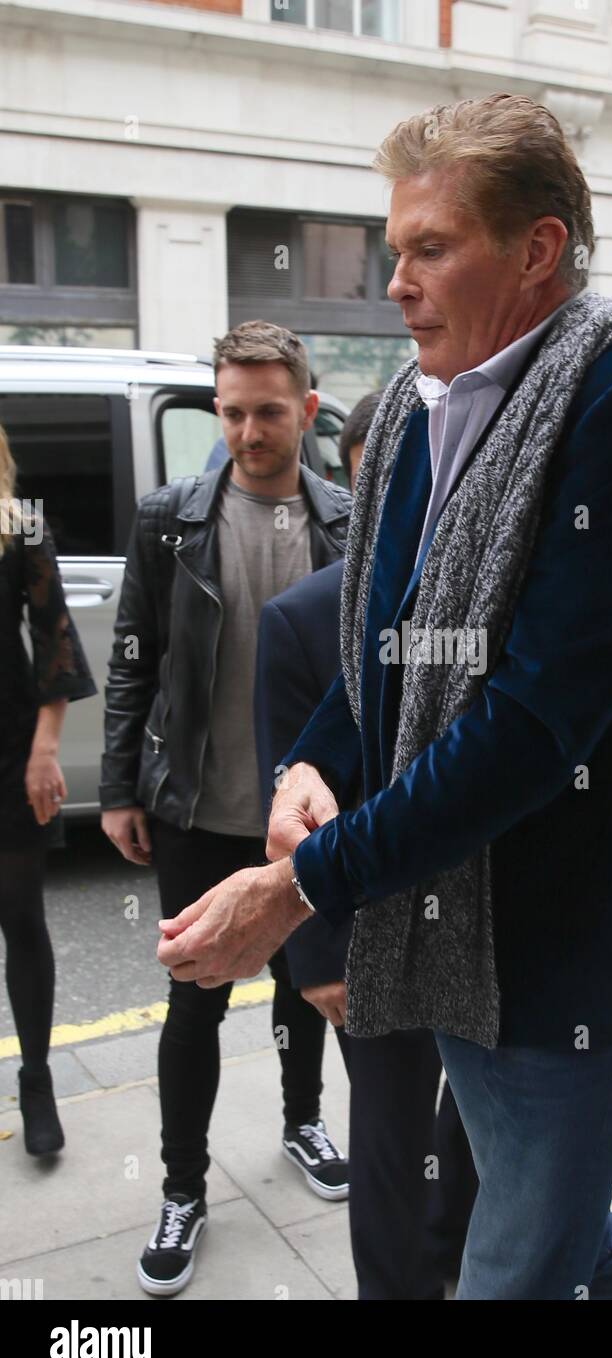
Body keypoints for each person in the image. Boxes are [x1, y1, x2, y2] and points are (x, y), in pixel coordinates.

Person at [155, 95, 612, 1301]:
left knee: (515, 1260)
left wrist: (301, 884)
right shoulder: (422, 413)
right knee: (552, 1222)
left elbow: (530, 727)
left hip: (562, 931)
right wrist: (315, 760)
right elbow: (387, 651)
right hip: (440, 912)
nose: (397, 285)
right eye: (393, 252)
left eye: (430, 248)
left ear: (535, 250)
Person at [100, 321, 352, 1297]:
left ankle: (300, 1121)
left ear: (306, 410)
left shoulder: (347, 518)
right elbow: (134, 655)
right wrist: (122, 784)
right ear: (218, 407)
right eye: (233, 410)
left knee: (307, 984)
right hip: (197, 811)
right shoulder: (170, 518)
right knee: (193, 1001)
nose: (248, 430)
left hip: (303, 817)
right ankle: (180, 1189)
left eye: (268, 411)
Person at [255, 392, 477, 1299]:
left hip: (483, 929)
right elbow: (283, 808)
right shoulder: (301, 619)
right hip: (370, 943)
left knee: (473, 1148)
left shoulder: (484, 597)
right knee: (391, 1152)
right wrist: (316, 958)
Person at [0, 422, 97, 1156]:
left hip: (8, 746)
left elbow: (55, 634)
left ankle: (36, 1081)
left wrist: (44, 749)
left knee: (21, 917)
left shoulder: (19, 525)